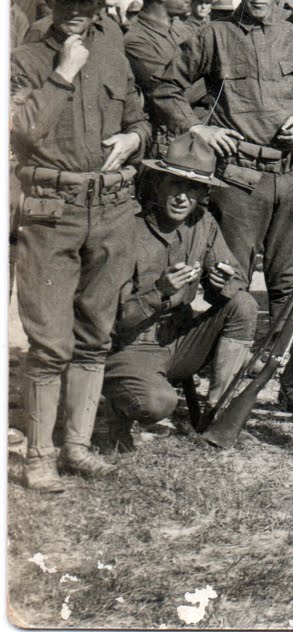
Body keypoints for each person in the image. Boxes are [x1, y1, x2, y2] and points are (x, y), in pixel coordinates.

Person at [11, 0, 148, 490]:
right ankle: (39, 455)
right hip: (51, 211)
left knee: (95, 335)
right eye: (65, 0)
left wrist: (134, 138)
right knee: (50, 343)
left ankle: (78, 447)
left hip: (110, 208)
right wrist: (63, 74)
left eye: (85, 2)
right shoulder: (25, 60)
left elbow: (139, 117)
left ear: (99, 5)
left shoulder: (113, 54)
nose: (75, 10)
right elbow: (22, 131)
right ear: (50, 0)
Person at [150, 0, 293, 340]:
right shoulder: (215, 35)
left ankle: (287, 367)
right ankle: (231, 369)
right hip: (241, 179)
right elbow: (165, 89)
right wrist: (200, 128)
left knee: (287, 279)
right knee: (231, 280)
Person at [101, 132, 257, 445]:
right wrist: (159, 291)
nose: (182, 197)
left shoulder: (203, 222)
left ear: (204, 193)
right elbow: (110, 319)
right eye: (175, 184)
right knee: (158, 404)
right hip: (133, 345)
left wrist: (222, 284)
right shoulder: (128, 226)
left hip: (180, 340)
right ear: (158, 183)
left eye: (194, 188)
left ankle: (217, 417)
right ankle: (111, 403)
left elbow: (236, 276)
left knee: (243, 305)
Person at [121, 0, 203, 157]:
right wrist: (216, 79)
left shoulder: (184, 29)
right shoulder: (136, 41)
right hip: (164, 145)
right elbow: (168, 91)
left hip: (193, 138)